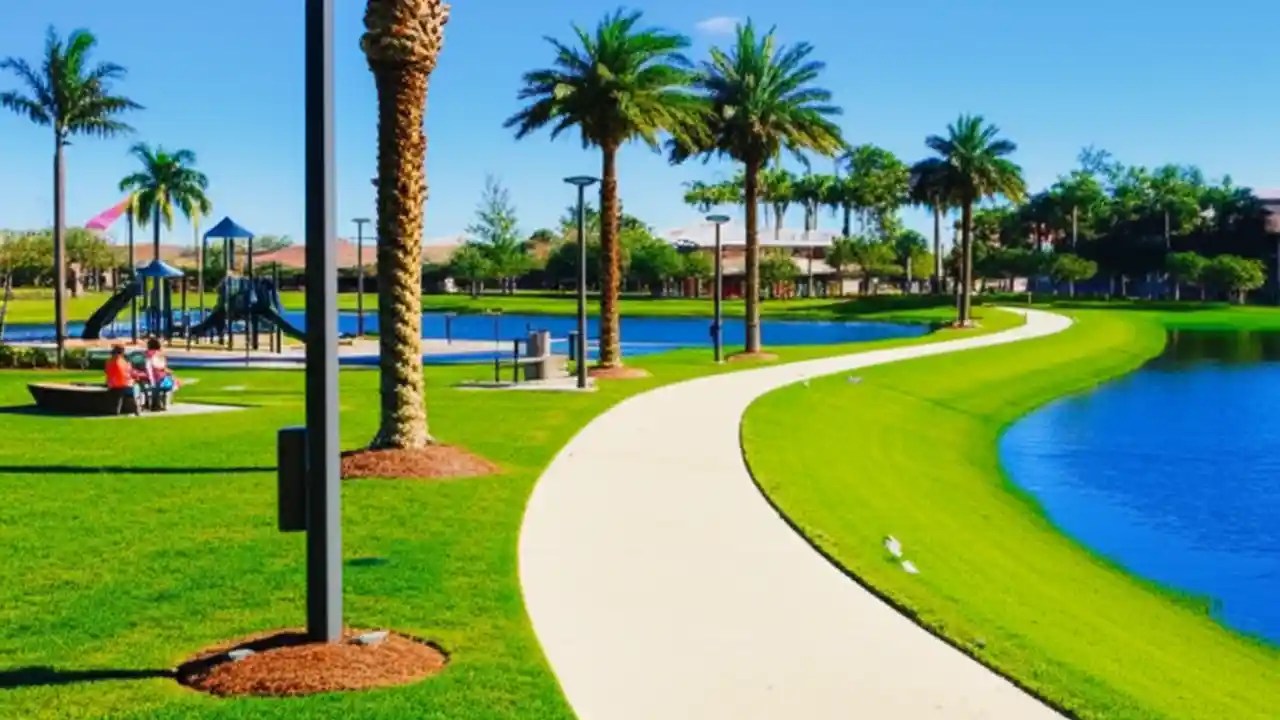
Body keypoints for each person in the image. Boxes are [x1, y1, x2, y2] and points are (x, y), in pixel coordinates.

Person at [104, 344, 141, 416]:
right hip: (124, 384)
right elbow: (128, 373)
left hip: (113, 385)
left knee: (119, 395)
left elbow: (107, 373)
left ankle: (117, 410)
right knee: (134, 390)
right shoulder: (124, 362)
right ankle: (137, 409)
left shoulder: (109, 362)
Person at [143, 337, 177, 410]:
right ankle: (163, 403)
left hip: (148, 376)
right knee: (172, 381)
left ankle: (154, 403)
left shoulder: (146, 353)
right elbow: (159, 366)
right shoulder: (157, 354)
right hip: (157, 377)